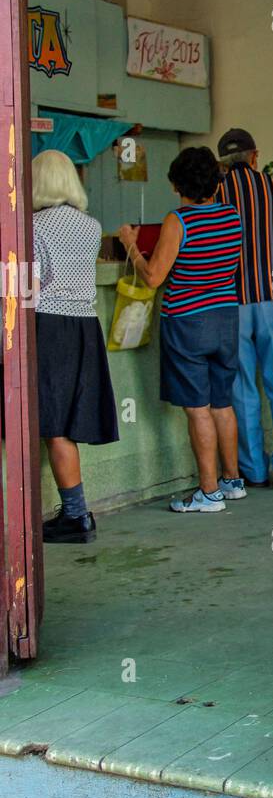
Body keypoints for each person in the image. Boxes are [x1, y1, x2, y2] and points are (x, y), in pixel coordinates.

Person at [118, 146, 244, 513]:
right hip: (225, 318)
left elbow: (154, 276)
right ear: (216, 183)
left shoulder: (180, 221)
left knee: (197, 409)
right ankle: (232, 481)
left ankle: (208, 492)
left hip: (188, 322)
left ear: (177, 185)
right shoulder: (232, 217)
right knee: (222, 403)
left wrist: (130, 244)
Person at [32, 149, 119, 544]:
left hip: (48, 327)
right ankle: (76, 511)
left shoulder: (33, 227)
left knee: (53, 425)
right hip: (85, 327)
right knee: (66, 423)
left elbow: (28, 286)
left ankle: (75, 515)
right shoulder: (90, 226)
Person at [215, 128, 273, 490]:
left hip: (230, 295)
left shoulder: (216, 191)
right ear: (255, 155)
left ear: (222, 162)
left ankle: (250, 469)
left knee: (242, 385)